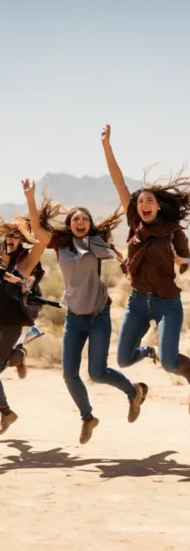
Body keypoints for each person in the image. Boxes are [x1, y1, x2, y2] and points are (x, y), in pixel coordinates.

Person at [24, 181, 147, 444]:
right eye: (76, 219)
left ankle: (133, 391)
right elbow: (37, 230)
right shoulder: (60, 245)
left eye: (85, 219)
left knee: (97, 373)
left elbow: (120, 256)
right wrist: (30, 198)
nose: (80, 222)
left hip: (98, 316)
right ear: (69, 224)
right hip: (74, 318)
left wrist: (129, 265)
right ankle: (87, 417)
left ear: (90, 224)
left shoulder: (97, 243)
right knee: (69, 374)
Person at [101, 124, 190, 414]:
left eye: (150, 200)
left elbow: (187, 261)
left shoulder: (173, 231)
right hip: (137, 302)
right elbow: (119, 182)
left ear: (159, 207)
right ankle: (149, 352)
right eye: (141, 201)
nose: (144, 203)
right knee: (123, 360)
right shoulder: (134, 223)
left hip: (167, 303)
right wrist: (107, 146)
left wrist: (180, 261)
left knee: (171, 363)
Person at [0, 185, 53, 435]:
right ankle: (17, 357)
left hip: (10, 322)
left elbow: (42, 241)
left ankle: (6, 412)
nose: (9, 240)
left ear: (23, 240)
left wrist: (30, 199)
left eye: (15, 236)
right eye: (7, 236)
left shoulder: (27, 261)